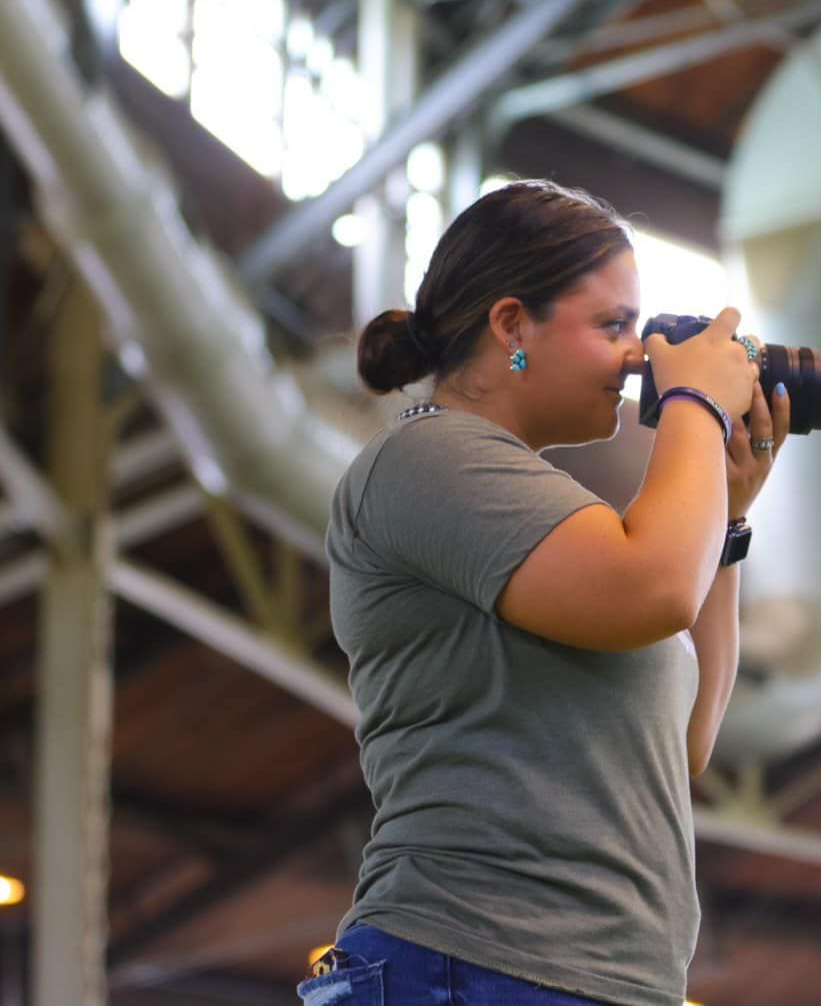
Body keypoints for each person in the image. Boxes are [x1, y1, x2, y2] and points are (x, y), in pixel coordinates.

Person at [303, 179, 789, 1006]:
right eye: (613, 325)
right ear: (512, 326)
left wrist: (729, 523)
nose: (637, 355)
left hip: (583, 980)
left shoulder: (553, 517)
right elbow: (655, 587)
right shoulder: (429, 459)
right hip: (468, 964)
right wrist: (697, 404)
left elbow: (687, 741)